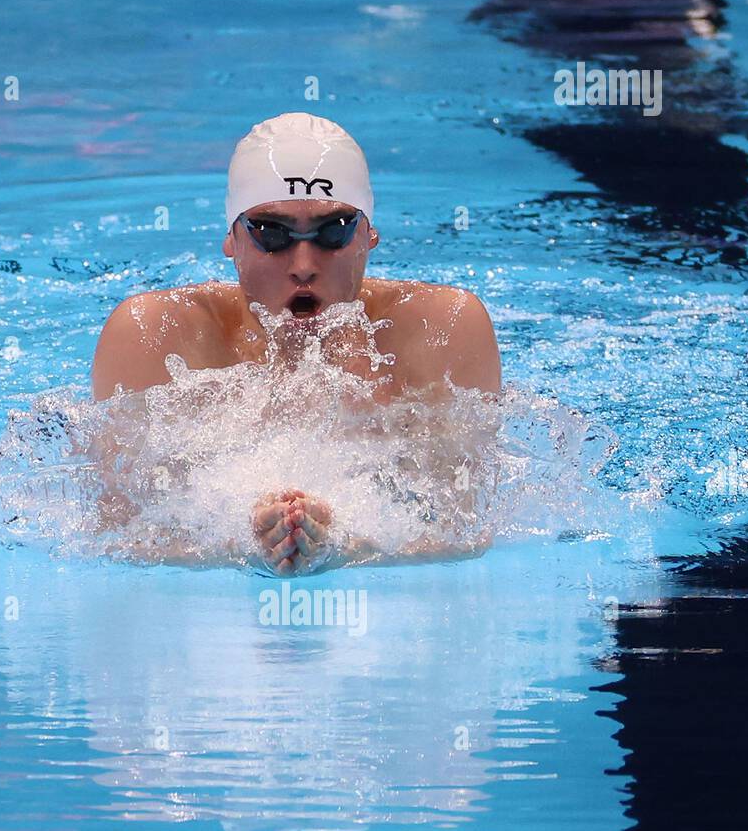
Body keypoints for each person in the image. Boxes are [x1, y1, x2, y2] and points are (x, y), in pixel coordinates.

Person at [90, 111, 501, 573]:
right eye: (272, 233)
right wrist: (240, 546)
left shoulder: (440, 329)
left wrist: (345, 547)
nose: (303, 263)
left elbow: (467, 530)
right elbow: (115, 534)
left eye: (333, 231)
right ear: (232, 239)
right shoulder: (154, 335)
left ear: (369, 234)